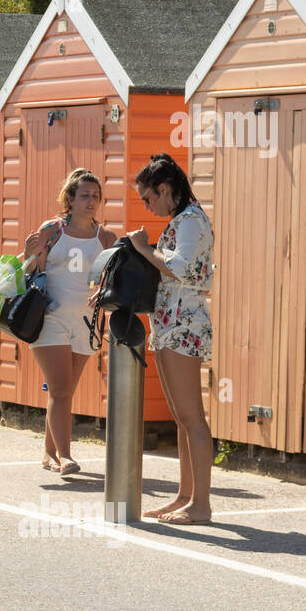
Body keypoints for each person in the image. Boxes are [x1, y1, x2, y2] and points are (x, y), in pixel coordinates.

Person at [125, 153, 215, 524]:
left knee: (192, 418)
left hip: (183, 326)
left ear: (165, 189)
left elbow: (179, 268)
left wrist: (144, 249)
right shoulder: (183, 220)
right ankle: (185, 495)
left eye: (149, 198)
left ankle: (202, 505)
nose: (148, 205)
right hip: (169, 325)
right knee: (182, 417)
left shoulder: (192, 222)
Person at [20, 168, 117, 476]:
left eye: (96, 196)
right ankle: (65, 455)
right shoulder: (53, 230)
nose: (91, 202)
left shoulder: (106, 237)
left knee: (64, 391)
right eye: (84, 195)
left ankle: (49, 453)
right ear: (70, 199)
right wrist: (29, 253)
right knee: (61, 388)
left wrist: (103, 291)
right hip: (50, 317)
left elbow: (111, 280)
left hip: (87, 323)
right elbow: (27, 272)